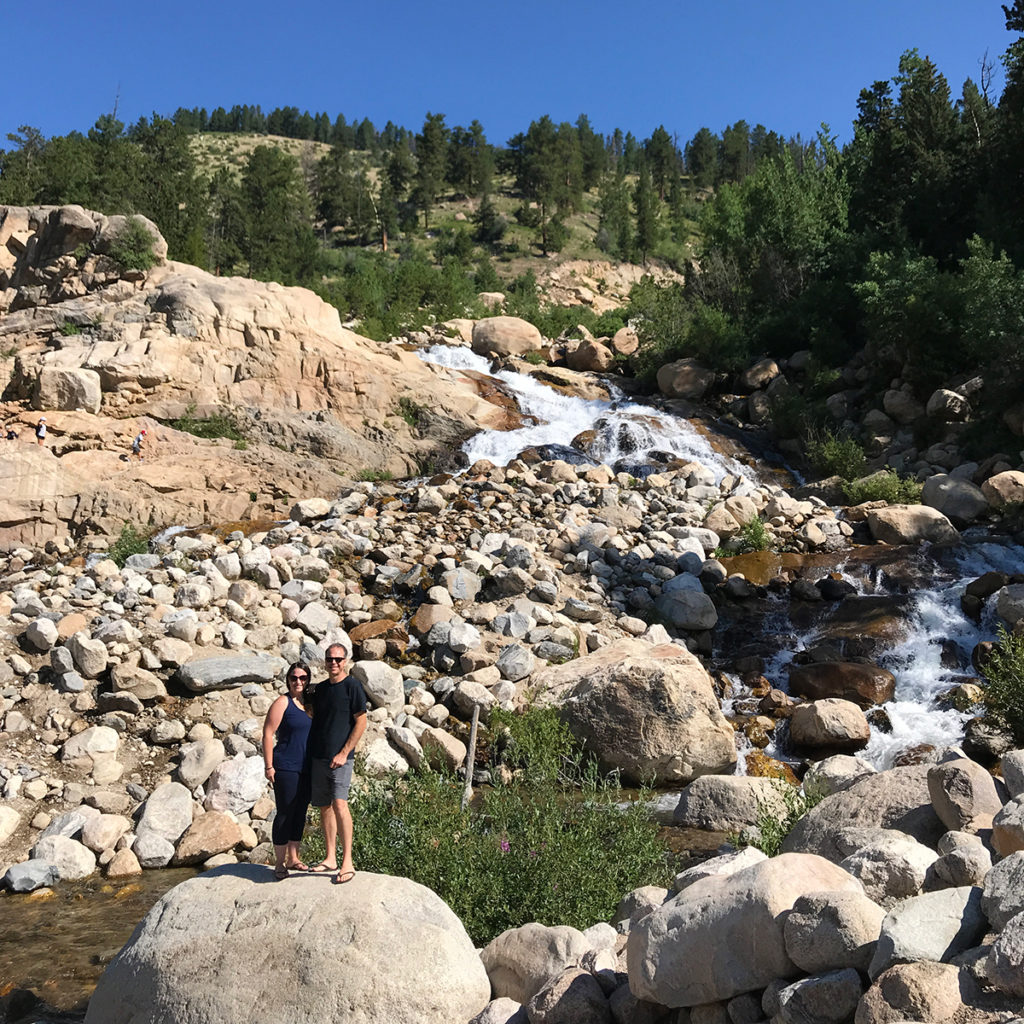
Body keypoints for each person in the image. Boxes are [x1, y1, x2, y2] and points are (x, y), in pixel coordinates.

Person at [307, 641, 366, 884]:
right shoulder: (320, 689)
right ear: (325, 661)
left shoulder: (353, 686)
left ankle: (347, 861)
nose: (334, 663)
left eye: (338, 659)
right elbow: (313, 715)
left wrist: (344, 752)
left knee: (340, 804)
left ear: (346, 661)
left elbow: (361, 722)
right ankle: (330, 857)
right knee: (324, 806)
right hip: (319, 756)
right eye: (330, 659)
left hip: (341, 758)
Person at [261, 661, 314, 880]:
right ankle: (279, 863)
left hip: (306, 768)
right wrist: (269, 766)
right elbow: (267, 733)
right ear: (288, 680)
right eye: (294, 678)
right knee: (285, 813)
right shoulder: (282, 702)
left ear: (308, 680)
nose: (298, 682)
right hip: (286, 767)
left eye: (302, 678)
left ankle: (294, 858)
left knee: (300, 813)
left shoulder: (310, 703)